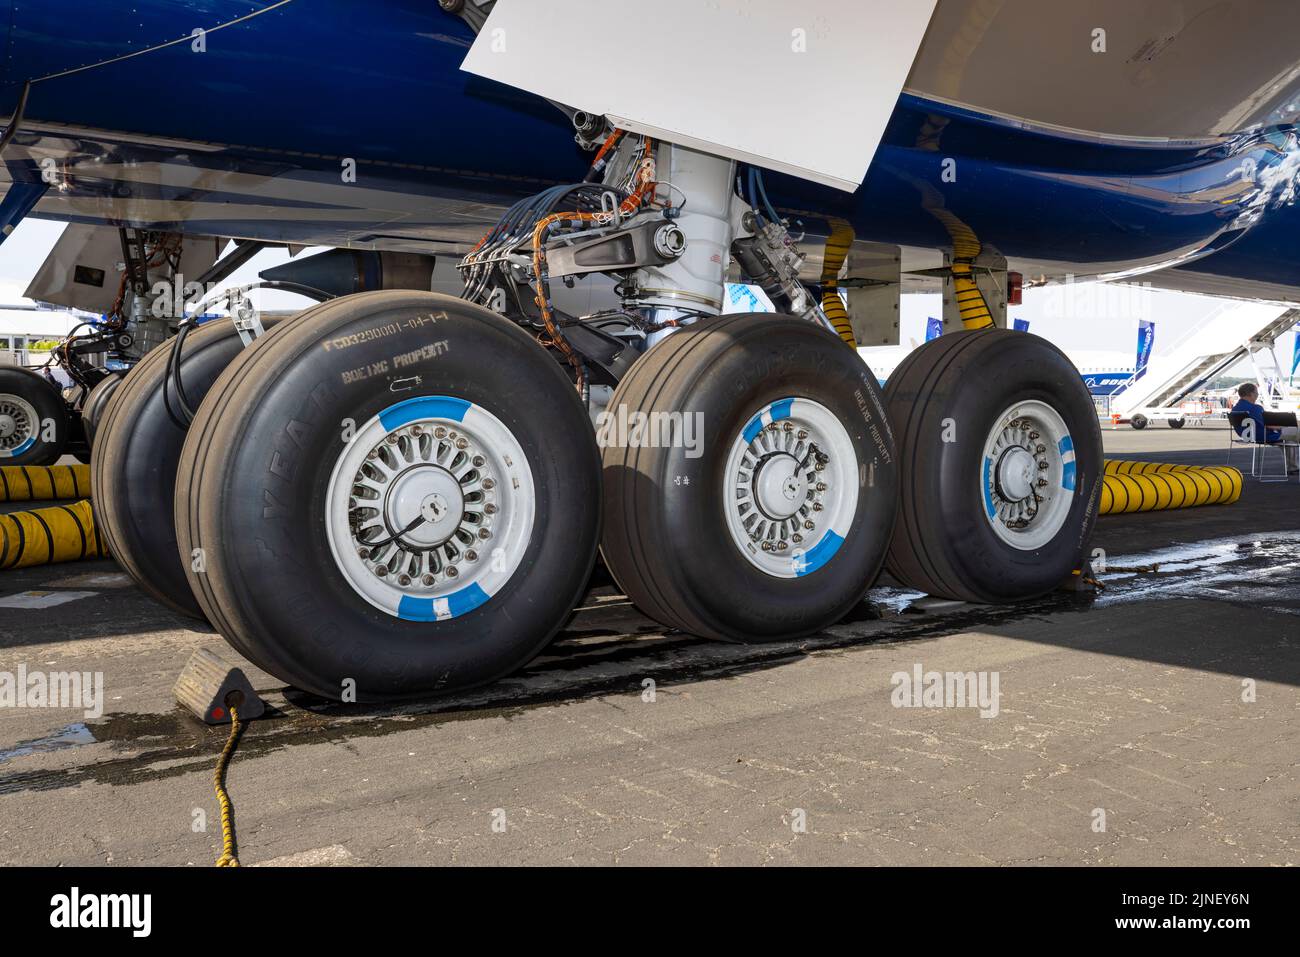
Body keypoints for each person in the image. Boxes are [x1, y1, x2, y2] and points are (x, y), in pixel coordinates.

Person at [1231, 383, 1298, 473]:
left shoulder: (1235, 409)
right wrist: (1287, 426)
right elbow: (1269, 425)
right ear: (1251, 394)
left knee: (1290, 441)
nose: (1257, 395)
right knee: (1295, 434)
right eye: (1256, 393)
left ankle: (1293, 467)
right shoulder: (1255, 408)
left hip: (1248, 437)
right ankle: (1293, 467)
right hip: (1264, 436)